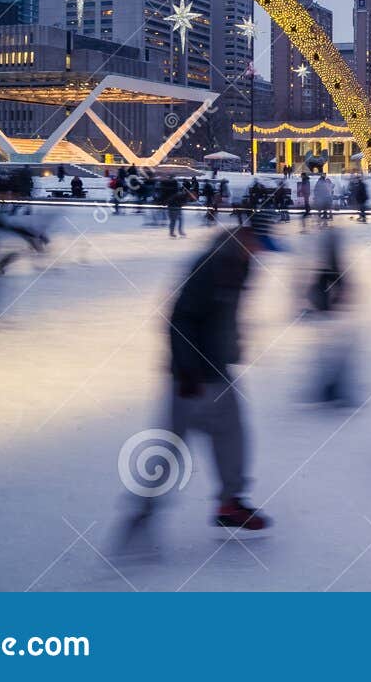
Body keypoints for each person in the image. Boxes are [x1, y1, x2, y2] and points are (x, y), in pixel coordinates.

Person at [118, 221, 272, 549]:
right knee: (171, 447)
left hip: (216, 371)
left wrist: (233, 345)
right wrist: (188, 372)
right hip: (191, 376)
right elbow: (180, 319)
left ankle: (230, 503)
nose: (262, 252)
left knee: (232, 434)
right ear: (247, 237)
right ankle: (142, 514)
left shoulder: (240, 265)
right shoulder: (211, 265)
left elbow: (223, 315)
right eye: (261, 244)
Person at [303, 224, 356, 406]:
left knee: (330, 355)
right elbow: (324, 287)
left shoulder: (329, 265)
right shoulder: (330, 266)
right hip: (329, 316)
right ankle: (331, 389)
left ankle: (331, 388)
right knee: (333, 354)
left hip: (328, 314)